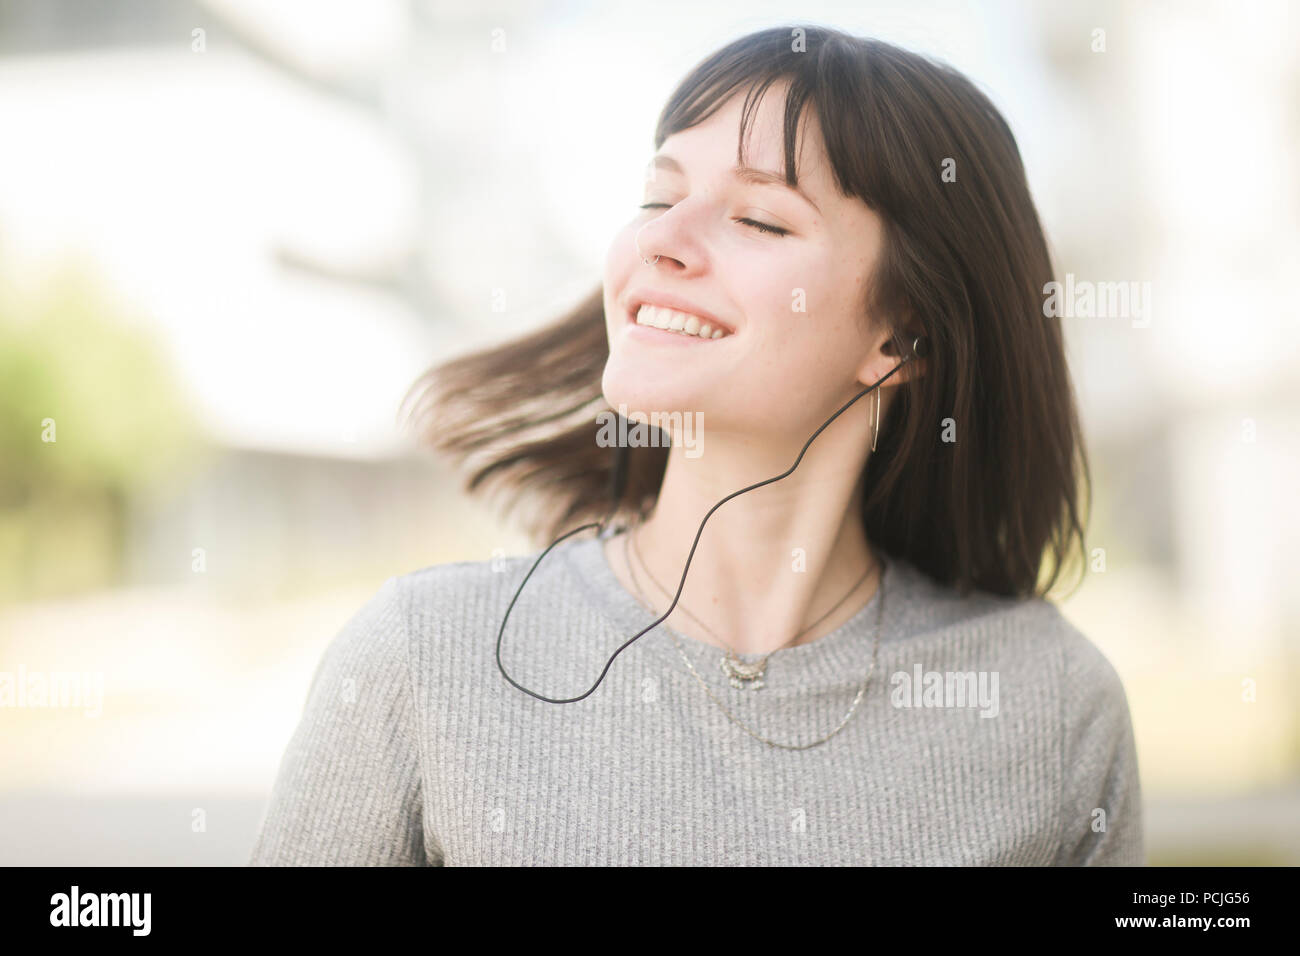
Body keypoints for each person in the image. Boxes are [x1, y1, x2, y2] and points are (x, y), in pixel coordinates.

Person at [249, 24, 1143, 866]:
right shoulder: (425, 656)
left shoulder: (1051, 705)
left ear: (902, 337)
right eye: (657, 197)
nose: (659, 241)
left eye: (760, 219)